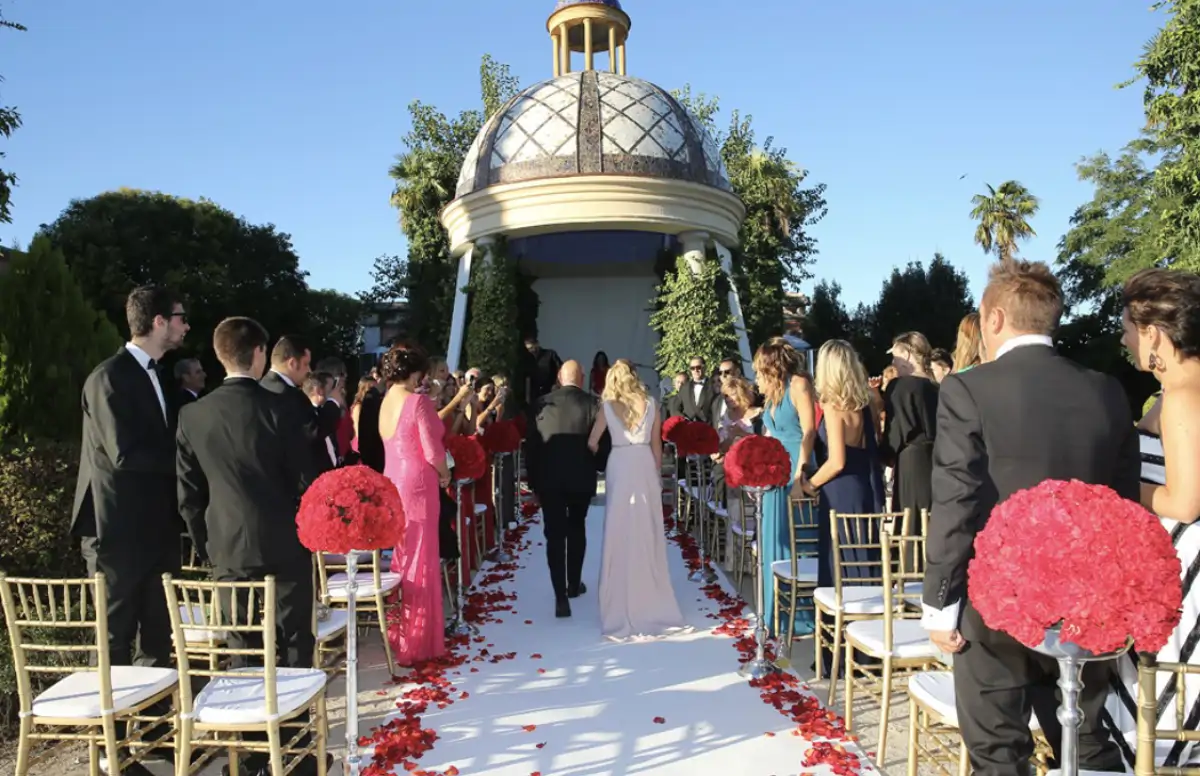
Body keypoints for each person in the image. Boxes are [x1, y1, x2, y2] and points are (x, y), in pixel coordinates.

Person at [922, 259, 1139, 775]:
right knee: (1084, 743)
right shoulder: (1107, 389)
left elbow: (957, 500)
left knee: (998, 750)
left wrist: (938, 605)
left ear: (994, 319)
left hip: (994, 603)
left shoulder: (969, 389)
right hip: (1085, 603)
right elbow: (1122, 505)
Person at [176, 317, 326, 776]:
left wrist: (207, 545)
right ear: (259, 354)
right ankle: (296, 751)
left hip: (228, 548)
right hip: (284, 540)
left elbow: (188, 493)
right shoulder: (283, 407)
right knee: (295, 641)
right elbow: (309, 479)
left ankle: (250, 755)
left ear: (221, 357)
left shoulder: (193, 414)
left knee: (243, 647)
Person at [1105, 269, 1200, 769]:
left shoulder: (1185, 394)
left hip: (1184, 574)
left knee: (1155, 728)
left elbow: (1185, 501)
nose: (1123, 338)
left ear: (1155, 335)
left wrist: (1116, 488)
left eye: (1127, 327)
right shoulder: (1173, 390)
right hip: (1169, 566)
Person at [72, 285, 188, 669]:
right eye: (180, 318)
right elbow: (124, 453)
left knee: (158, 632)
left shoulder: (160, 376)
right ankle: (115, 728)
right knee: (114, 636)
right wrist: (187, 460)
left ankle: (154, 729)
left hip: (156, 525)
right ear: (158, 322)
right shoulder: (108, 377)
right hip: (115, 529)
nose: (186, 326)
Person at [590, 359, 688, 641]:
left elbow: (593, 441)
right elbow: (657, 446)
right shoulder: (652, 403)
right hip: (644, 463)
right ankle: (650, 595)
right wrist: (656, 477)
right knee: (647, 530)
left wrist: (602, 449)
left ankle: (619, 597)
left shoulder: (607, 405)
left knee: (619, 528)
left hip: (620, 463)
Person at [379, 344, 451, 666]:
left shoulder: (385, 401)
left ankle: (399, 632)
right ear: (416, 372)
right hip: (419, 483)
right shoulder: (417, 401)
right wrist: (446, 475)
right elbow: (432, 451)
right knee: (421, 557)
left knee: (402, 556)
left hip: (392, 481)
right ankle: (418, 639)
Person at [802, 340, 885, 588]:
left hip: (840, 489)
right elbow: (875, 443)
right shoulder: (866, 402)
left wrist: (810, 484)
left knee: (840, 558)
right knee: (863, 552)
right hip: (865, 487)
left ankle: (841, 619)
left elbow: (837, 460)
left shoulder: (833, 406)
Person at [528, 361, 605, 617]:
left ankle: (560, 597)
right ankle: (573, 584)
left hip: (549, 480)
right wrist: (599, 464)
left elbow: (532, 446)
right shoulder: (593, 403)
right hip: (580, 478)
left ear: (560, 378)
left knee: (554, 535)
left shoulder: (541, 403)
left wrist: (533, 481)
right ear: (581, 378)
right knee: (576, 528)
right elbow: (601, 444)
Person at [754, 338, 817, 637]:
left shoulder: (799, 384)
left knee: (793, 542)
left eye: (759, 370)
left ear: (771, 366)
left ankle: (798, 615)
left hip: (794, 469)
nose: (756, 377)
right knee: (771, 541)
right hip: (772, 471)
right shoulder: (773, 394)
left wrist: (799, 475)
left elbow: (809, 431)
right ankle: (771, 612)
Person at [880, 332, 939, 526]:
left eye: (895, 357)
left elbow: (895, 431)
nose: (893, 363)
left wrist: (883, 456)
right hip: (937, 461)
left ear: (906, 355)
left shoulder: (900, 387)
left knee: (911, 523)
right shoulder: (937, 386)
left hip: (910, 463)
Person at [260, 336, 330, 475]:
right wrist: (333, 401)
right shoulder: (292, 396)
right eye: (305, 364)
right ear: (292, 363)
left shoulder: (259, 388)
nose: (309, 370)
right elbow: (313, 434)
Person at [678, 356, 716, 423]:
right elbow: (678, 408)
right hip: (690, 429)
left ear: (705, 368)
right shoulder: (684, 388)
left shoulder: (713, 385)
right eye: (692, 368)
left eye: (698, 367)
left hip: (709, 428)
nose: (695, 370)